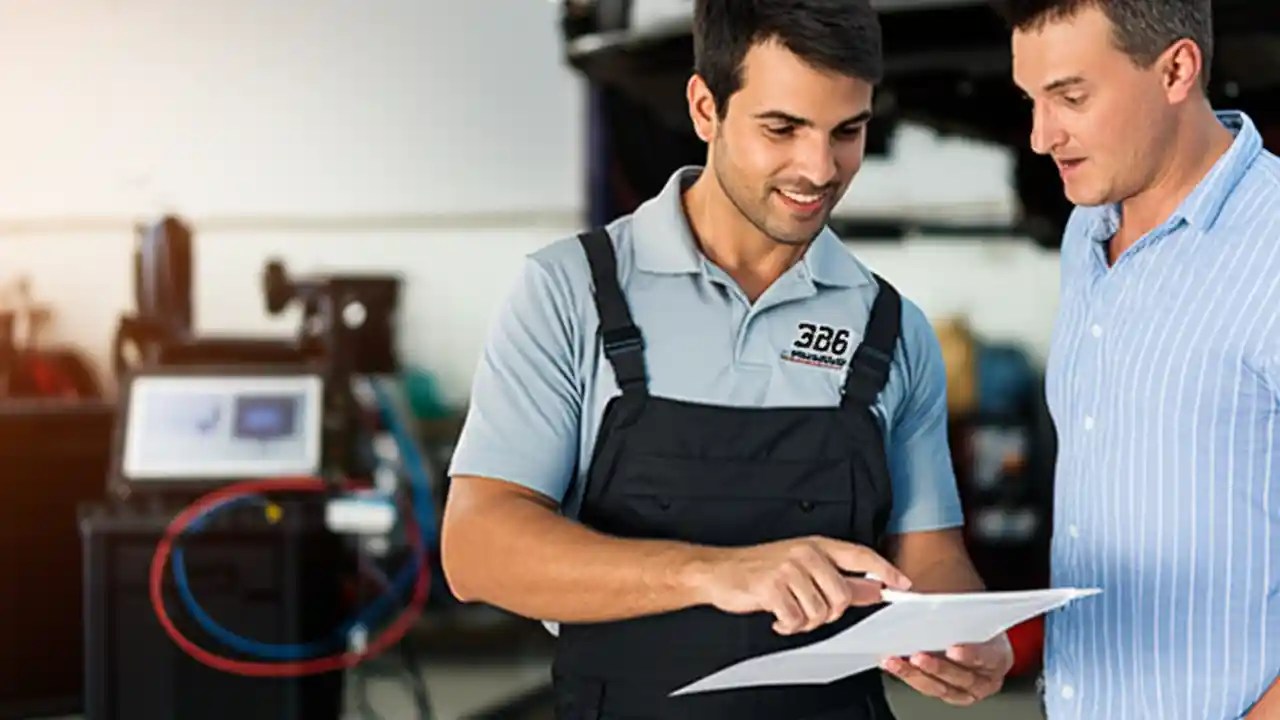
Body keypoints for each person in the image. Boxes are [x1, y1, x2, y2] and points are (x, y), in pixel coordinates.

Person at [441, 1, 1013, 716]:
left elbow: (930, 554)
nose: (819, 168)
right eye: (782, 128)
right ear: (705, 107)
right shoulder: (572, 293)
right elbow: (476, 548)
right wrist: (719, 573)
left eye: (848, 132)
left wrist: (964, 633)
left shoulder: (890, 327)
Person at [997, 0, 1280, 718]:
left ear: (1177, 69)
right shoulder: (1087, 228)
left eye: (1070, 96)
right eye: (1031, 100)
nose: (1039, 136)